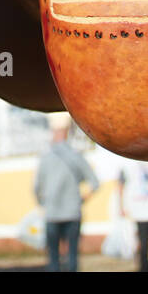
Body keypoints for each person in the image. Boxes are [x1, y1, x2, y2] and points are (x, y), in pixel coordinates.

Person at [32, 114, 99, 271]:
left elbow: (37, 188)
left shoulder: (45, 158)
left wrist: (43, 204)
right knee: (72, 256)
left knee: (53, 257)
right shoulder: (76, 156)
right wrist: (82, 199)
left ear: (53, 132)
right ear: (67, 132)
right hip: (73, 212)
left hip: (52, 213)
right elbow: (94, 183)